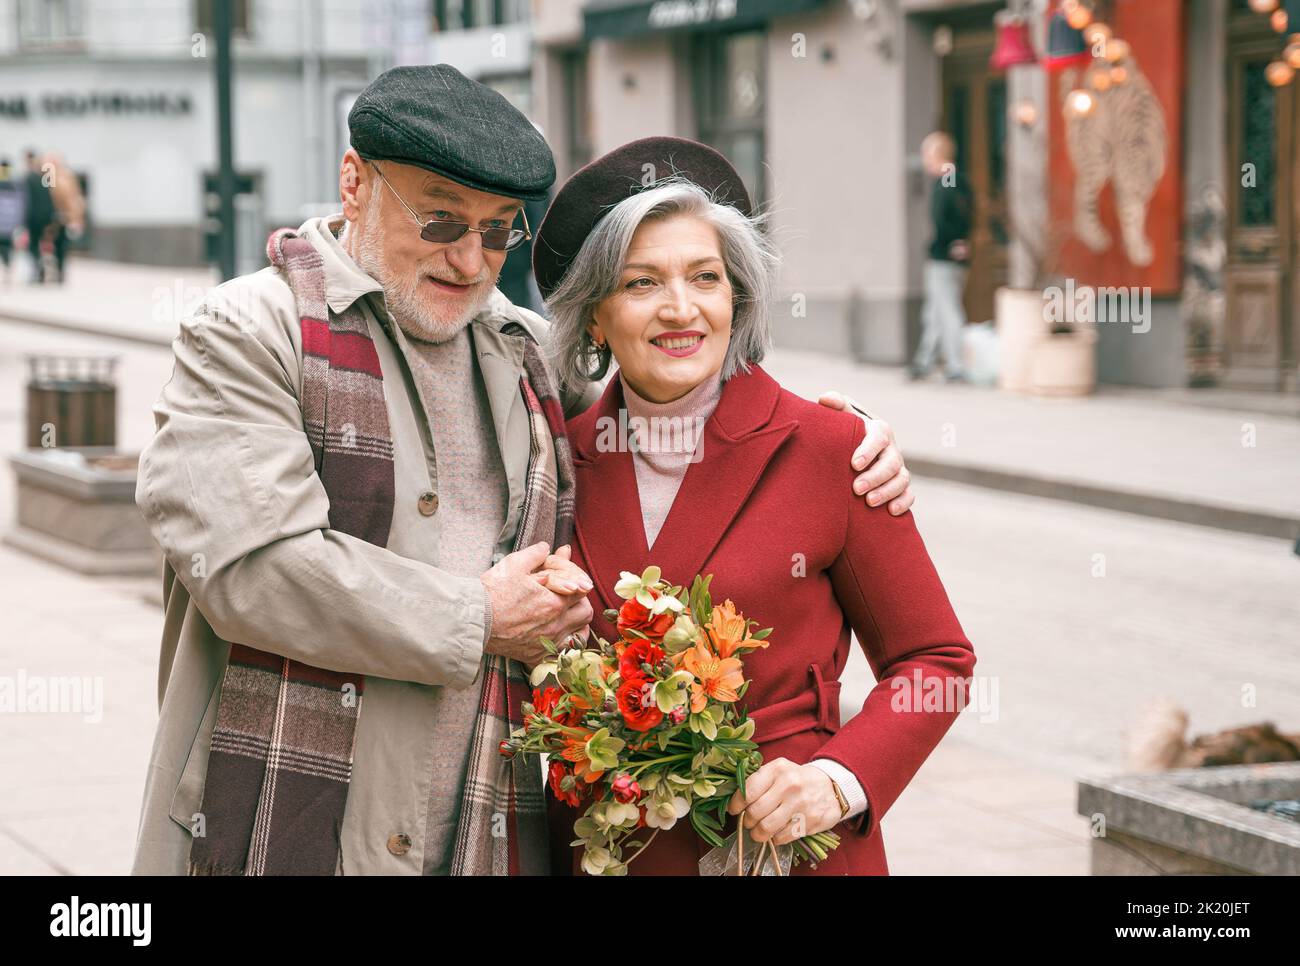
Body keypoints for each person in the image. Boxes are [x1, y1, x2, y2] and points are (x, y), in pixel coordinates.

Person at [130, 66, 917, 876]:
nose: (472, 261)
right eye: (442, 220)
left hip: (487, 830)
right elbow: (252, 570)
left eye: (500, 230)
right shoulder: (247, 332)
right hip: (289, 815)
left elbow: (665, 394)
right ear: (354, 181)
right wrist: (477, 615)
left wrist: (840, 435)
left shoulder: (523, 351)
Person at [536, 137, 976, 876]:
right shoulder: (551, 463)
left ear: (735, 299)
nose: (681, 309)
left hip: (786, 850)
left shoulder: (832, 449)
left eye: (704, 277)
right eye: (642, 283)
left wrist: (837, 782)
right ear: (594, 318)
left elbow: (936, 662)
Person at [909, 131, 973, 383]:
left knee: (946, 309)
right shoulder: (947, 179)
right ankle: (924, 361)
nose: (924, 159)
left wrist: (956, 240)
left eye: (926, 153)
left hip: (945, 256)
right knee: (935, 311)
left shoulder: (949, 179)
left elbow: (956, 213)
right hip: (944, 254)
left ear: (936, 154)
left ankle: (955, 365)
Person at [22, 149, 54, 284]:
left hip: (32, 218)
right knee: (41, 244)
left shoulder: (28, 178)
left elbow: (26, 201)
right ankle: (40, 268)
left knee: (33, 245)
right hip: (44, 218)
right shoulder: (44, 177)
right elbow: (49, 199)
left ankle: (36, 269)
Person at [0, 158, 23, 285]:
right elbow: (21, 204)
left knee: (3, 246)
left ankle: (6, 266)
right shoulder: (15, 183)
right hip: (10, 224)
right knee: (7, 247)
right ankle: (7, 266)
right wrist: (18, 222)